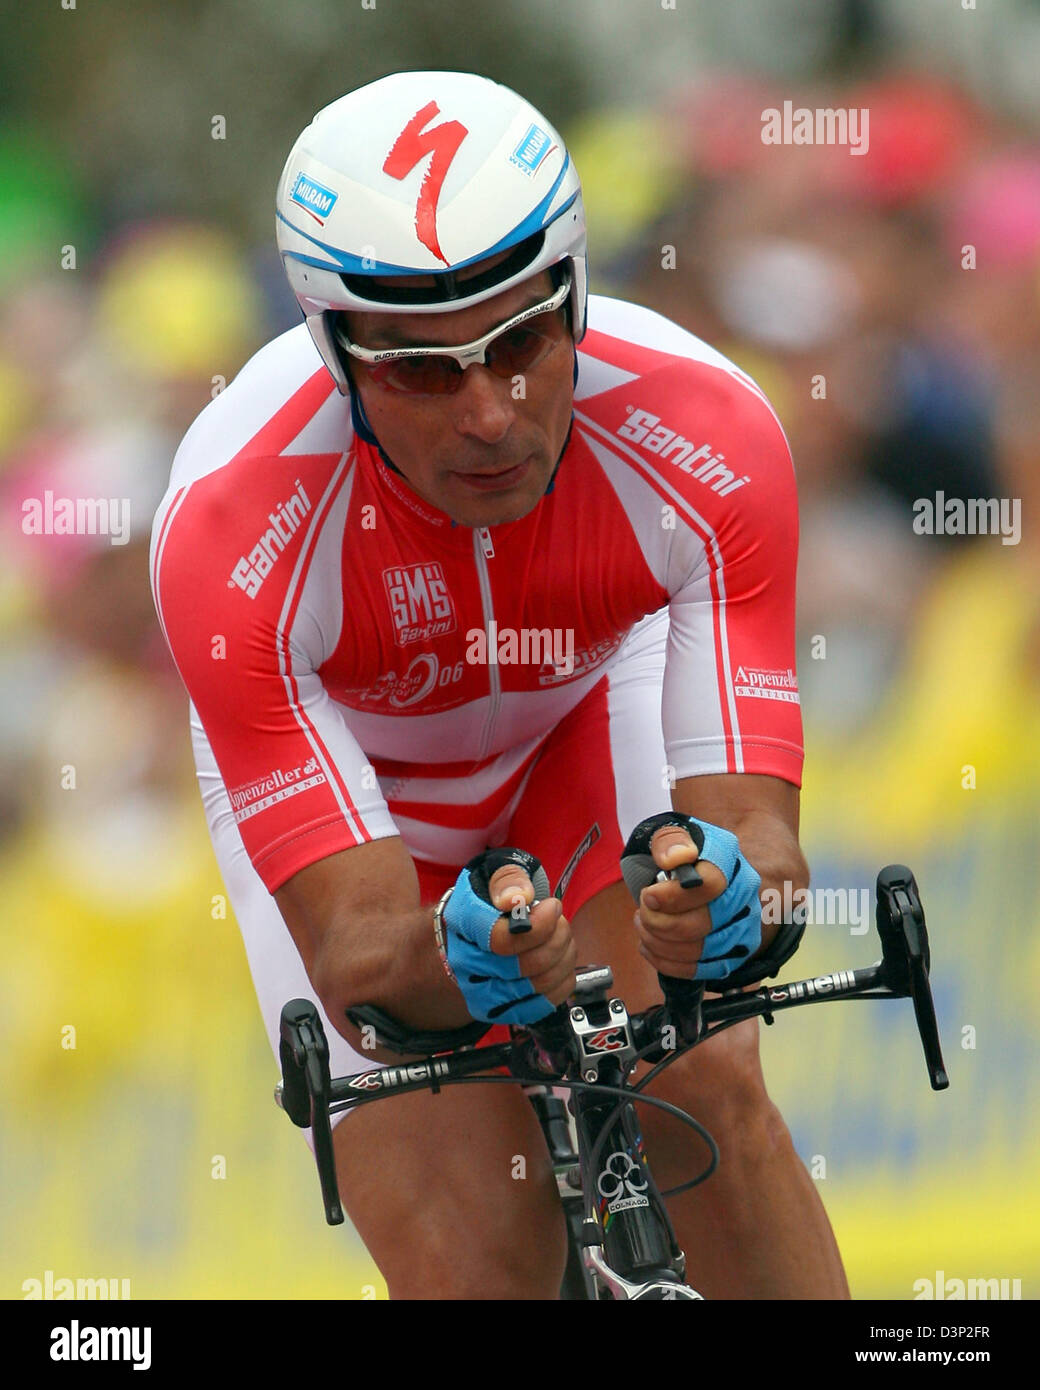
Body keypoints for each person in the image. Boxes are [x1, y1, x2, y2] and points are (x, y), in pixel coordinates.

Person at [151, 70, 849, 1299]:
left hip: (586, 707)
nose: (486, 414)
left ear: (577, 298)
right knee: (471, 1265)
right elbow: (367, 956)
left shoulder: (708, 433)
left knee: (706, 1081)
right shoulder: (232, 524)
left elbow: (756, 842)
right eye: (420, 372)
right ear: (336, 356)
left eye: (520, 342)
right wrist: (465, 956)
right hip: (371, 812)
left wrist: (731, 897)